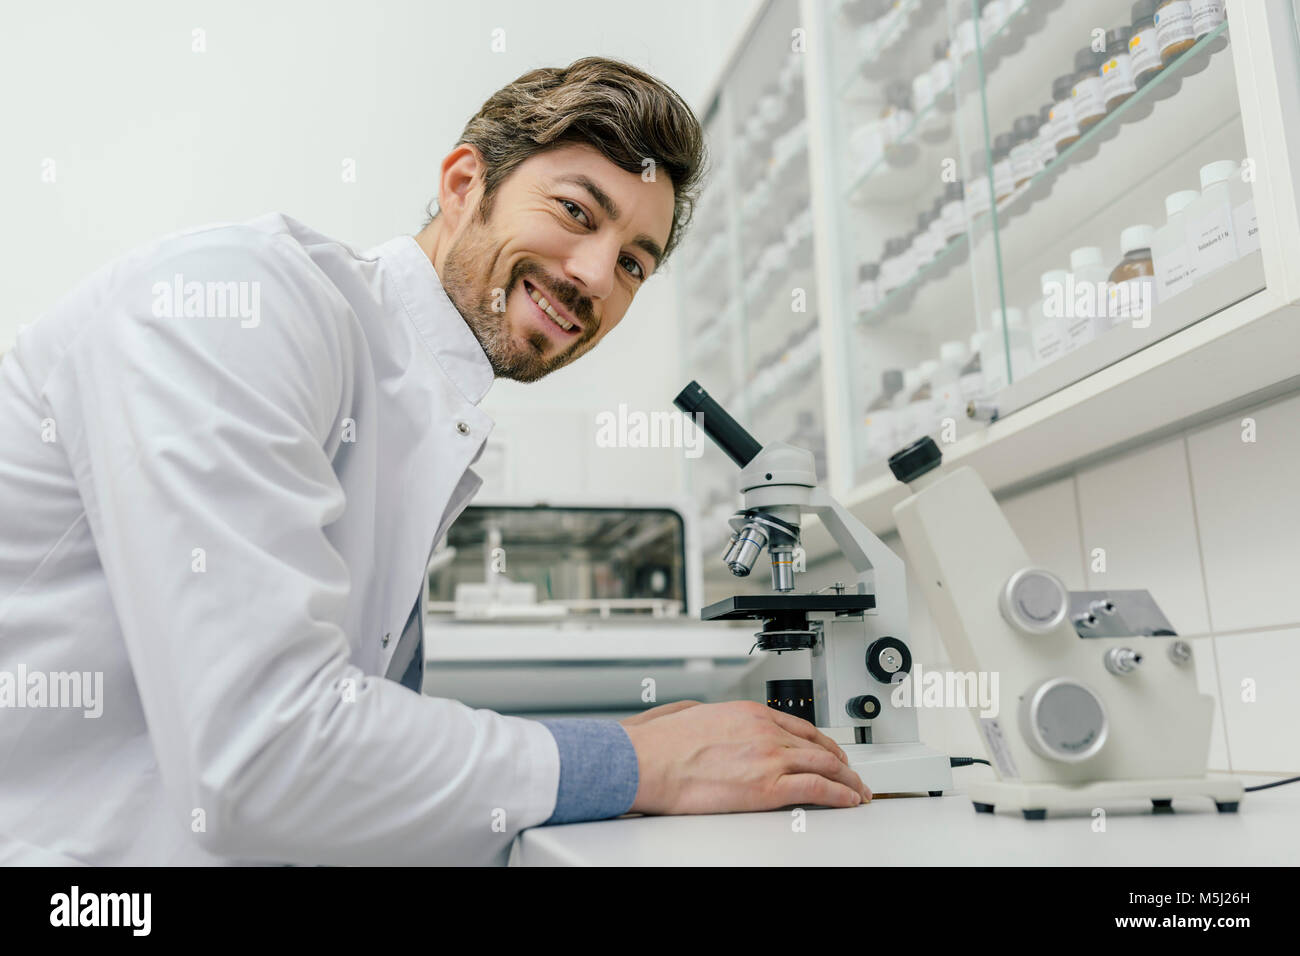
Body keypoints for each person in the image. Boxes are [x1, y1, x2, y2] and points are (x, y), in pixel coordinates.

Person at [0, 57, 869, 866]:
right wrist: (632, 761)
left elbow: (330, 754)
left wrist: (645, 753)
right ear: (464, 185)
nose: (598, 276)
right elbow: (264, 753)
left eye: (635, 263)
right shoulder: (245, 302)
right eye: (577, 211)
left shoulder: (419, 406)